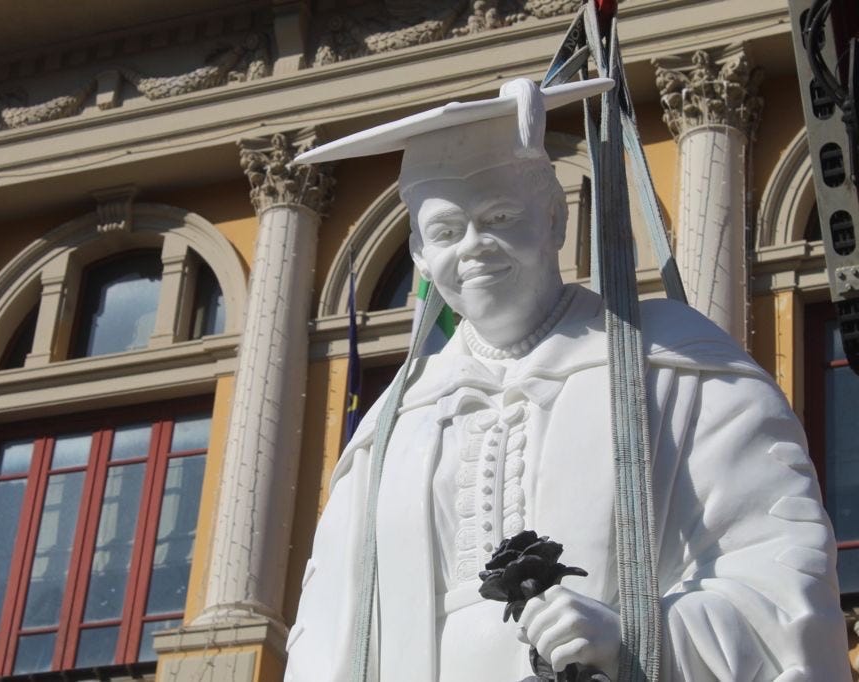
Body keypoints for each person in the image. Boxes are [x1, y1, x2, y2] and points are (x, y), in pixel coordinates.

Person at [285, 78, 850, 681]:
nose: (474, 246)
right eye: (446, 233)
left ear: (555, 220)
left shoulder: (673, 367)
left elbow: (781, 575)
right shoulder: (392, 426)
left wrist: (637, 637)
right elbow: (325, 630)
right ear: (421, 256)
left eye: (499, 217)